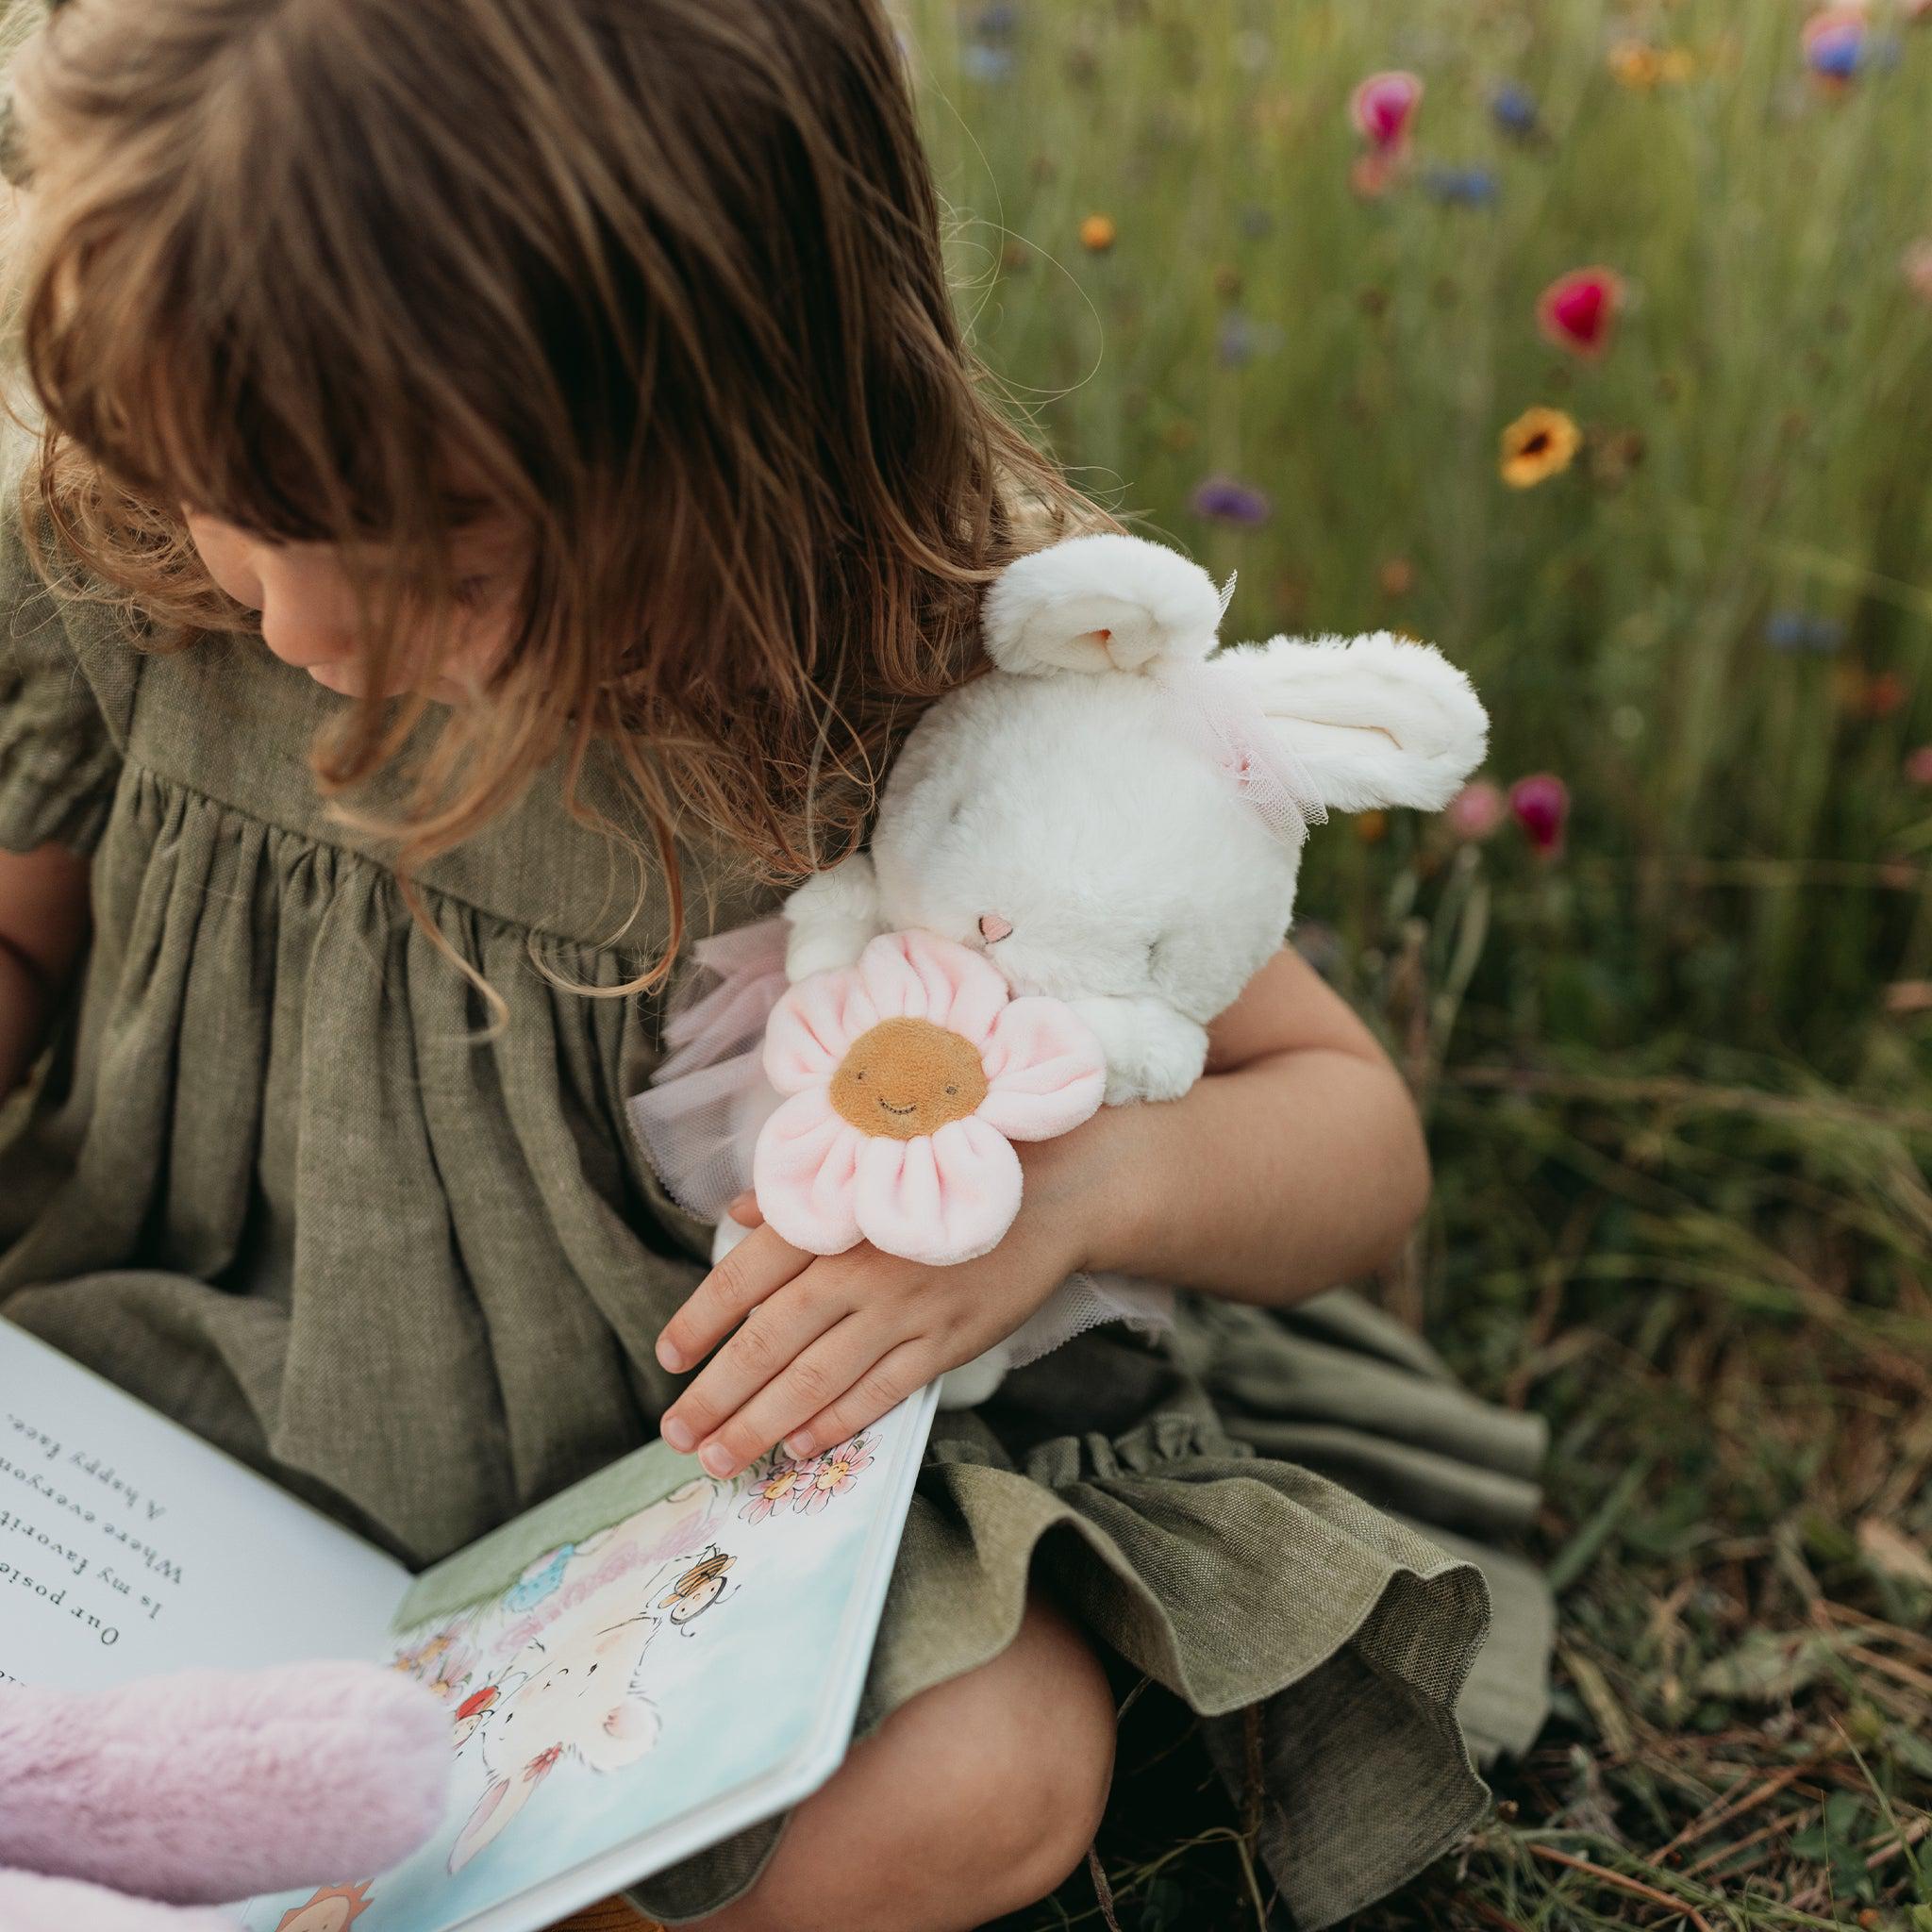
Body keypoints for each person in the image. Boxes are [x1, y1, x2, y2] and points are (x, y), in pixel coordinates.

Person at [0, 3, 1552, 1926]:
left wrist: (1061, 1200)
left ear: (719, 432)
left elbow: (1346, 1128)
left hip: (693, 1490)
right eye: (248, 519)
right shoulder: (113, 533)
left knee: (992, 1765)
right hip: (179, 1383)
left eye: (442, 563)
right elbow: (22, 934)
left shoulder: (939, 661)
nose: (308, 625)